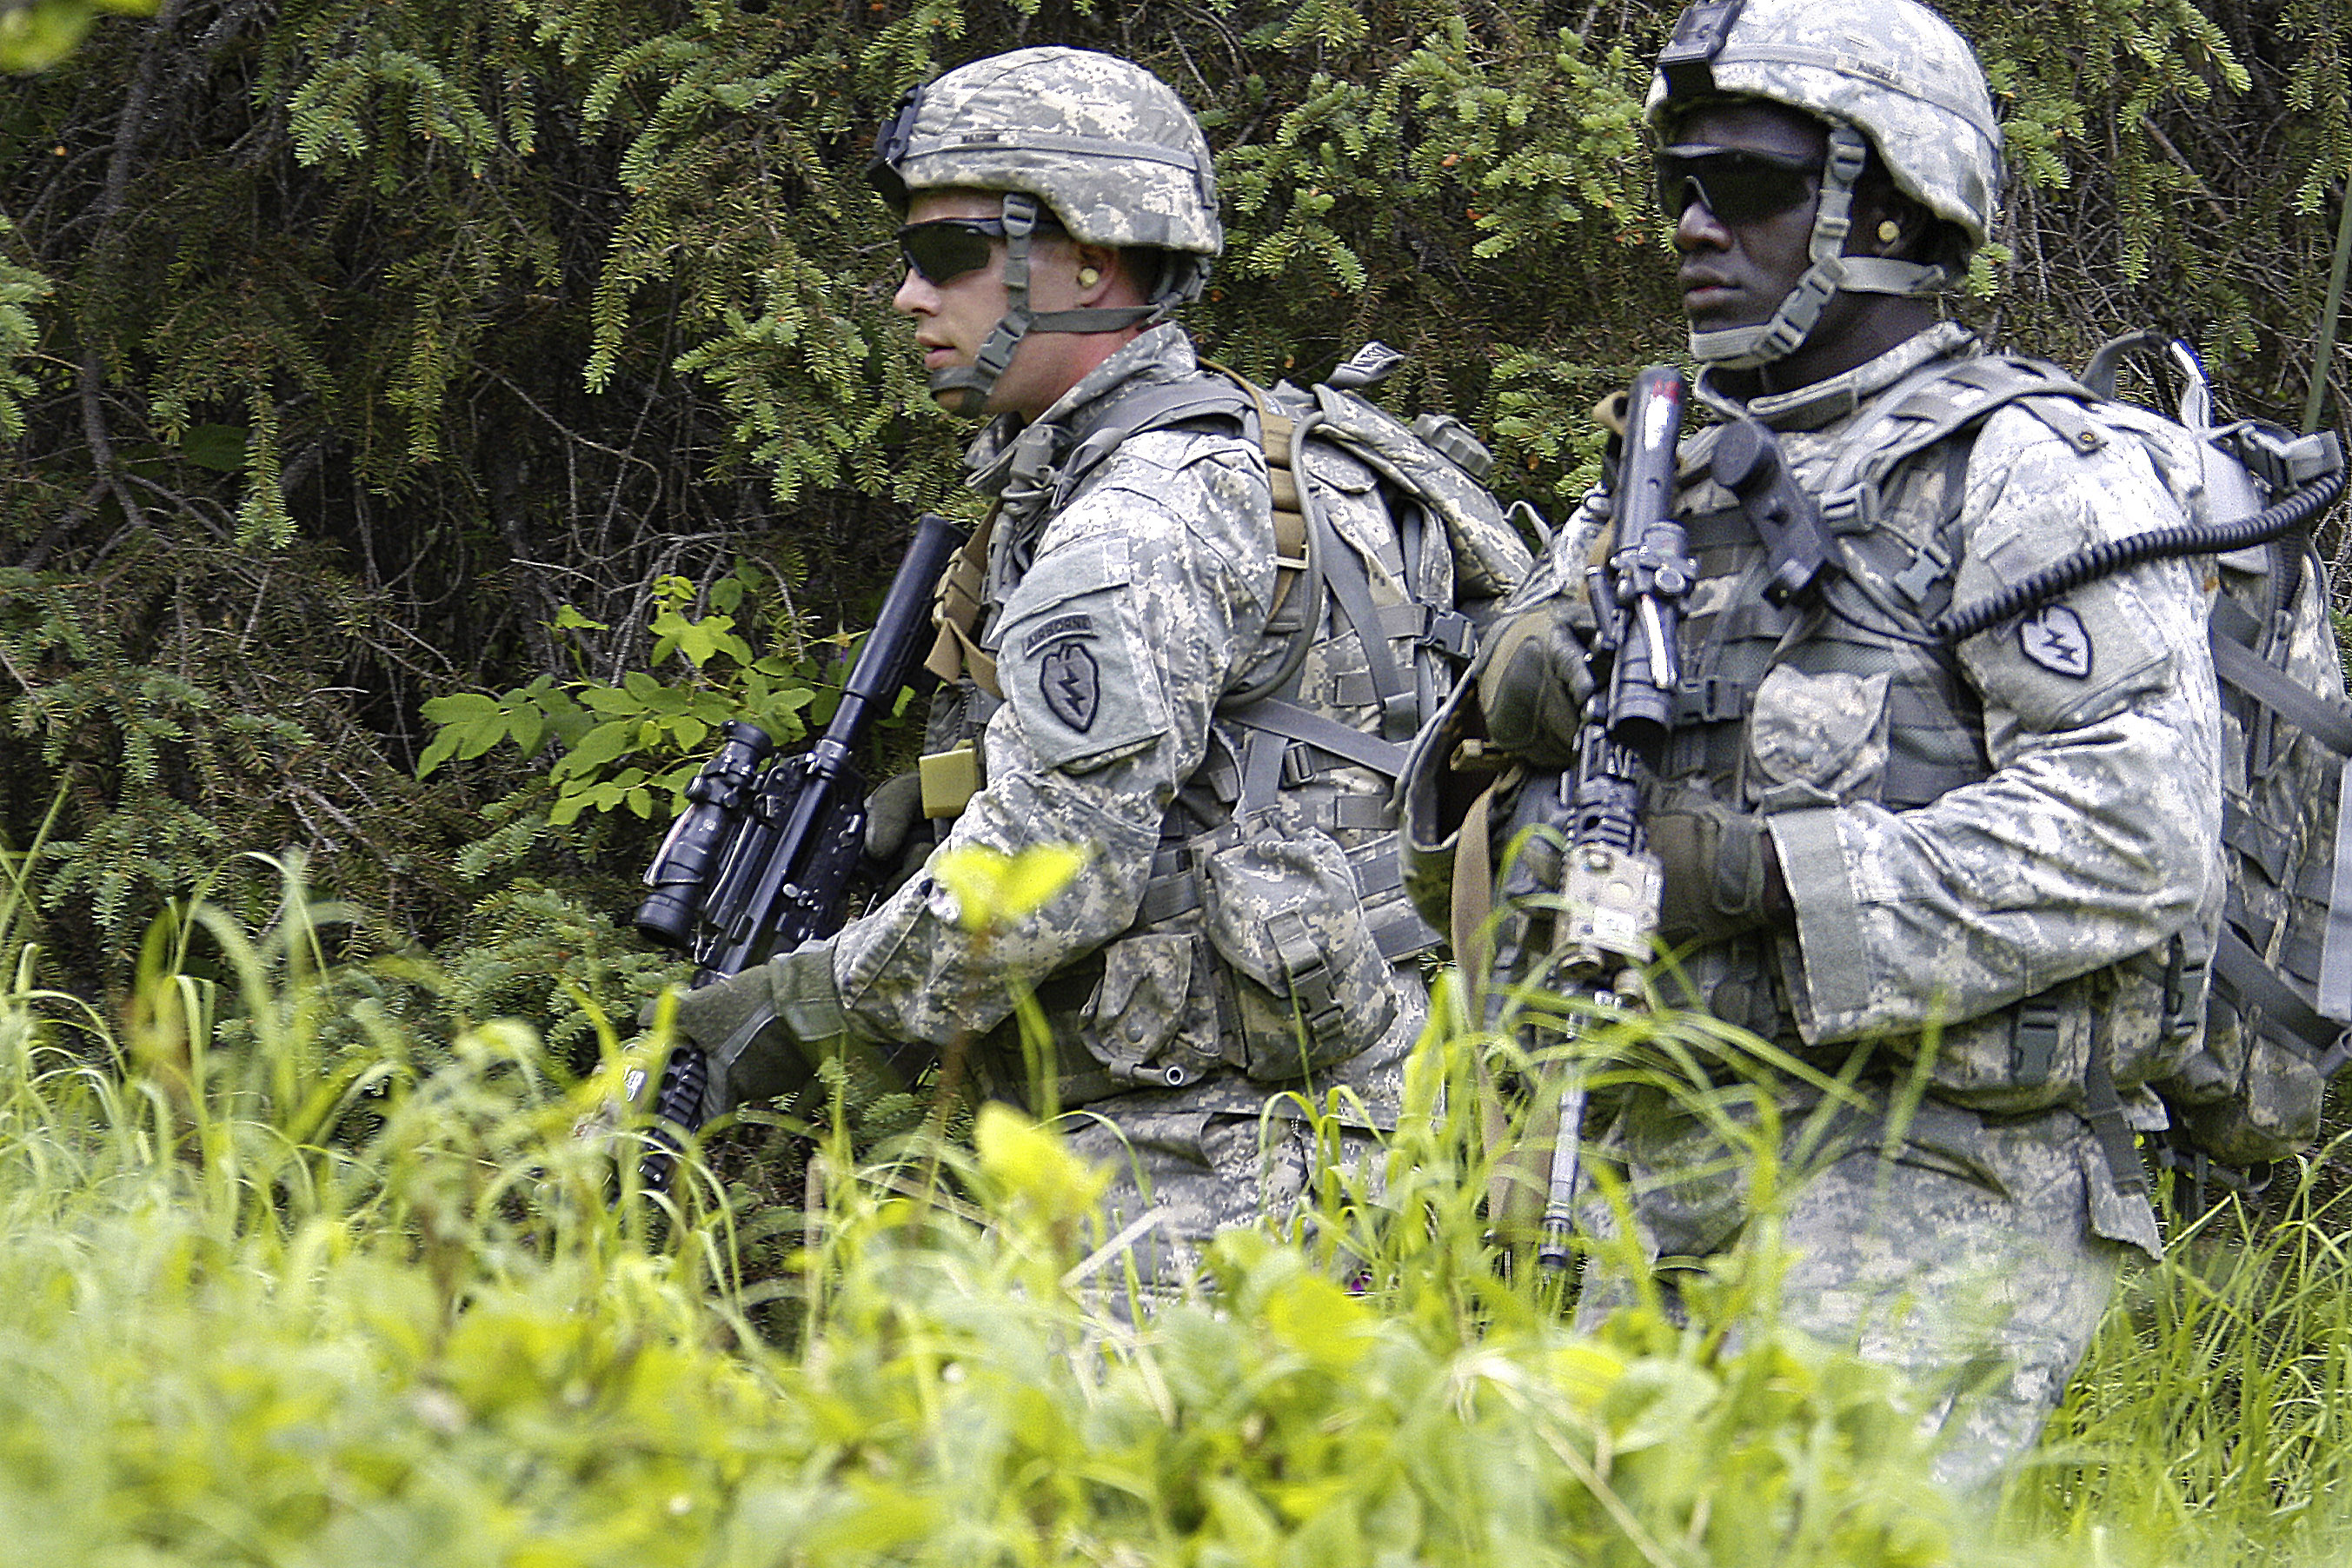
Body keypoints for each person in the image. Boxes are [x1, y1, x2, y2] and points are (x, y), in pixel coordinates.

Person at [1409, 0, 2222, 1490]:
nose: (1696, 228)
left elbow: (2137, 830)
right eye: (1679, 189)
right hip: (1642, 1154)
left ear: (1893, 201)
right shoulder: (1661, 476)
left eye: (1752, 185)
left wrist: (1767, 874)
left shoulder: (2027, 470)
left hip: (1934, 1171)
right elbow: (1479, 800)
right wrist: (1511, 687)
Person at [660, 46, 1518, 1307]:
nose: (906, 295)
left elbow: (1046, 884)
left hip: (1207, 1182)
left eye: (948, 254)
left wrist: (790, 1008)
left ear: (1093, 260)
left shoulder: (1134, 523)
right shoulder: (1273, 451)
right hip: (1367, 1130)